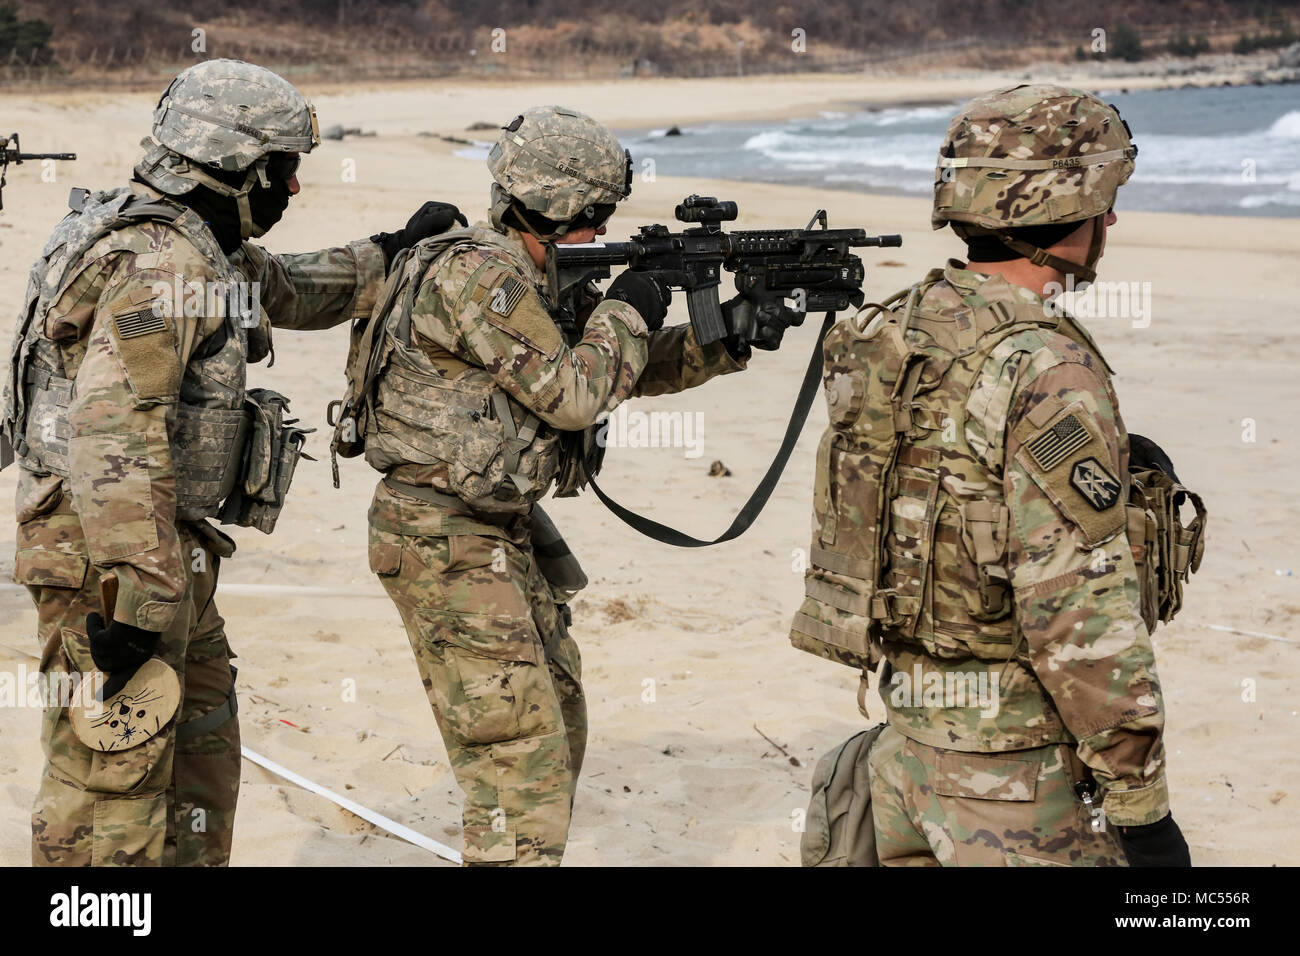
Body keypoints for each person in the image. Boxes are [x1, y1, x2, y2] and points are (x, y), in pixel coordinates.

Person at [2, 58, 463, 866]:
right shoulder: (162, 265)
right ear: (232, 166)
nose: (291, 190)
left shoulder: (194, 242)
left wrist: (390, 251)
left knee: (201, 757)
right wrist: (135, 605)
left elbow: (285, 289)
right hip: (108, 568)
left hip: (158, 555)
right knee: (110, 789)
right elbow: (114, 429)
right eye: (282, 170)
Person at [348, 105, 784, 865]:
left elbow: (618, 371)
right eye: (594, 217)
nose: (600, 231)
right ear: (557, 207)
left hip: (495, 529)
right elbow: (573, 395)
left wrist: (731, 334)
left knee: (558, 717)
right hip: (441, 534)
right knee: (520, 764)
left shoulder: (534, 276)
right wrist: (632, 303)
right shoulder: (479, 277)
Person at [792, 84, 1193, 866]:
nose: (1111, 220)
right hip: (1015, 786)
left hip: (902, 752)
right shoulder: (1045, 367)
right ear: (1068, 206)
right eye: (1105, 200)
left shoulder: (888, 328)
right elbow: (1076, 612)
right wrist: (1143, 808)